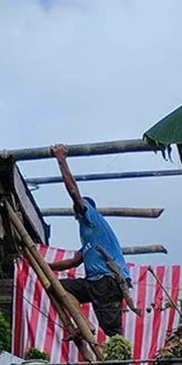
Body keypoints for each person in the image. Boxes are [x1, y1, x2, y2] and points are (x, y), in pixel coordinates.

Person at [46, 143, 132, 338]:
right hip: (94, 283)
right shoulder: (89, 235)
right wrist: (47, 266)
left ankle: (119, 364)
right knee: (59, 288)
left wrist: (61, 160)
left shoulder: (92, 219)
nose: (75, 209)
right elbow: (74, 261)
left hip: (107, 282)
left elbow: (74, 191)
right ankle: (84, 325)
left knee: (113, 331)